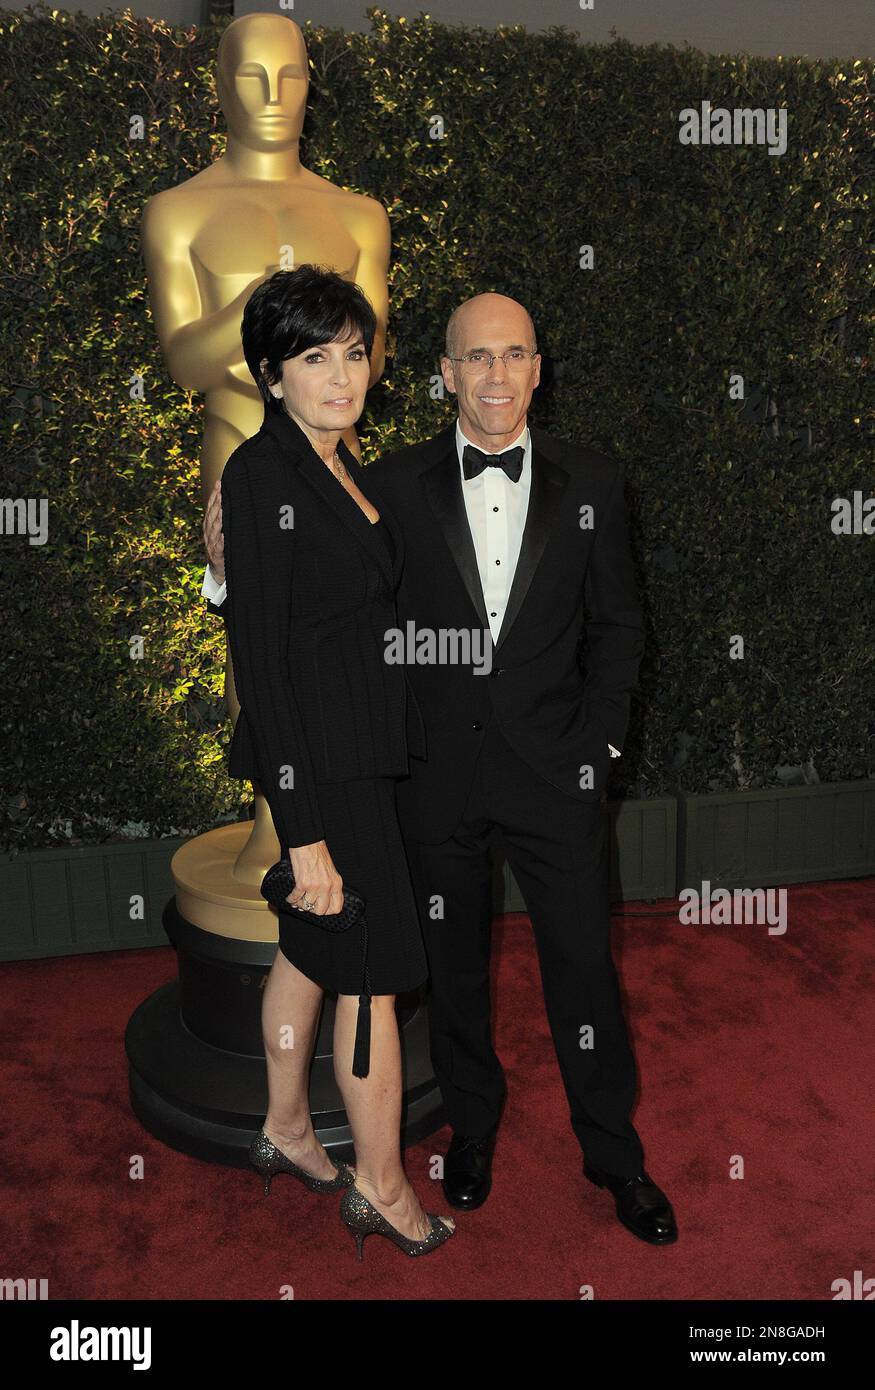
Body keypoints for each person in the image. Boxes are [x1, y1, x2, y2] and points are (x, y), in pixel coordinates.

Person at [205, 291, 678, 1246]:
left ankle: (613, 1155)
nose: (496, 375)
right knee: (449, 972)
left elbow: (621, 628)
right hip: (426, 773)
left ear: (539, 368)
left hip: (555, 776)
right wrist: (222, 571)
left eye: (515, 355)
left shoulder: (595, 482)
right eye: (475, 357)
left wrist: (601, 748)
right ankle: (470, 1133)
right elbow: (295, 612)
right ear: (444, 373)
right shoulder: (383, 479)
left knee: (585, 970)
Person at [214, 263, 455, 1259]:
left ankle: (281, 1125)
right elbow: (260, 666)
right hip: (322, 766)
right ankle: (384, 1184)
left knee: (308, 949)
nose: (341, 374)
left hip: (365, 747)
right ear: (272, 374)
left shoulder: (343, 461)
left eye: (353, 353)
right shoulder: (263, 475)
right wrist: (303, 829)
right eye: (315, 358)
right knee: (372, 972)